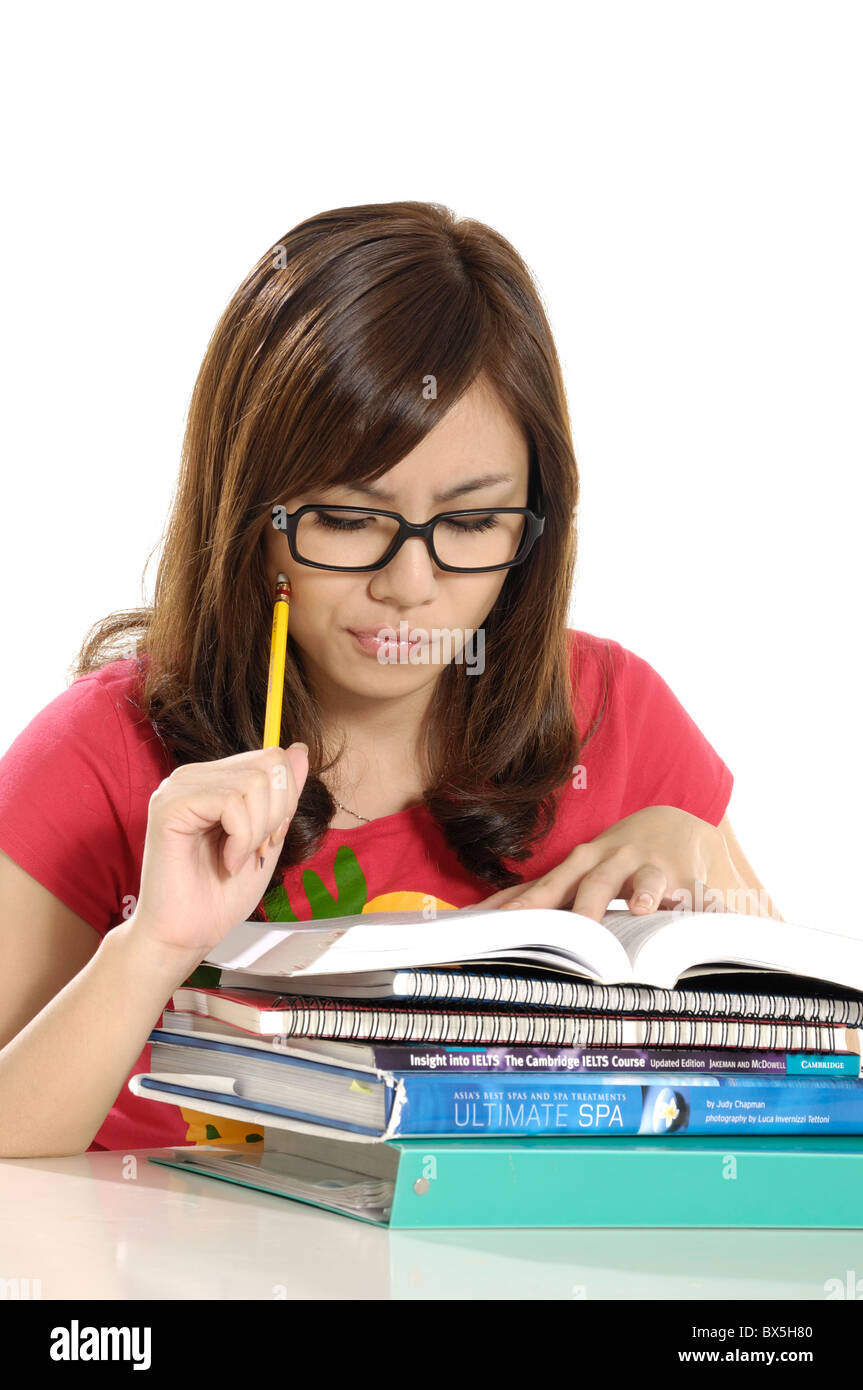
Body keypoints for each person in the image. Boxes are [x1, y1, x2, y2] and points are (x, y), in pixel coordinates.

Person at [0, 201, 780, 1159]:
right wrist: (151, 947)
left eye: (470, 524)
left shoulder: (618, 720)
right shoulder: (99, 755)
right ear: (253, 514)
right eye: (345, 518)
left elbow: (793, 1102)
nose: (409, 587)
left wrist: (702, 867)